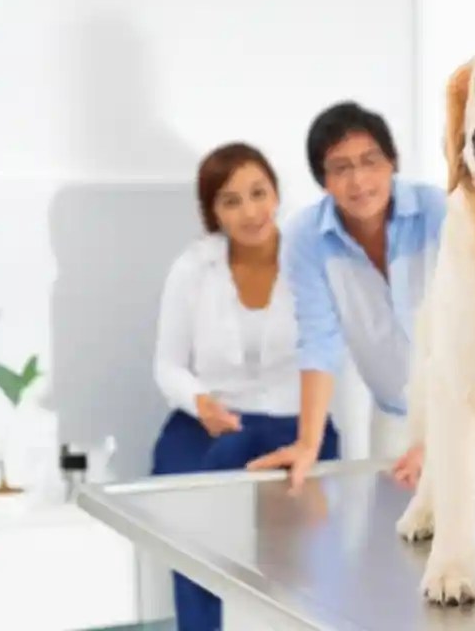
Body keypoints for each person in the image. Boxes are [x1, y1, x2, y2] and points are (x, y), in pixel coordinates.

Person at [150, 142, 341, 631]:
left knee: (305, 558)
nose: (250, 211)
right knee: (191, 528)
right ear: (212, 211)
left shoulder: (312, 262)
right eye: (230, 201)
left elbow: (328, 353)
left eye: (258, 193)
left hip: (293, 423)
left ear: (276, 194)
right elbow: (167, 365)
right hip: (210, 421)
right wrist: (199, 402)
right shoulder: (193, 268)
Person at [247, 101, 444, 490]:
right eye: (341, 168)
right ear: (324, 181)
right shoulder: (307, 237)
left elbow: (473, 324)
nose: (358, 181)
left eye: (370, 161)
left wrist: (438, 441)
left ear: (393, 163)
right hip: (395, 413)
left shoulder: (437, 211)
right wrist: (307, 444)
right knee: (396, 534)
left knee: (473, 527)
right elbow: (319, 341)